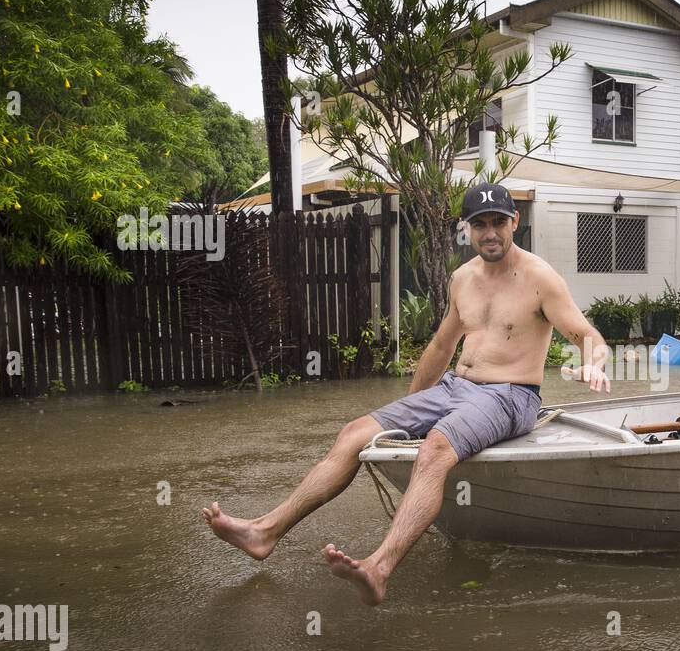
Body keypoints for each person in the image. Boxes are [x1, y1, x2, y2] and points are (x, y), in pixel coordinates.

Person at [203, 182, 611, 605]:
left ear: (514, 222)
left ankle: (379, 567)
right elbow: (440, 347)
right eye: (480, 224)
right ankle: (264, 531)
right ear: (467, 229)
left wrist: (592, 363)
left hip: (510, 396)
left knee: (435, 449)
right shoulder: (462, 279)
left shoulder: (540, 278)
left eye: (499, 223)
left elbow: (587, 335)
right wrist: (412, 412)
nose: (490, 233)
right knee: (355, 432)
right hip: (456, 387)